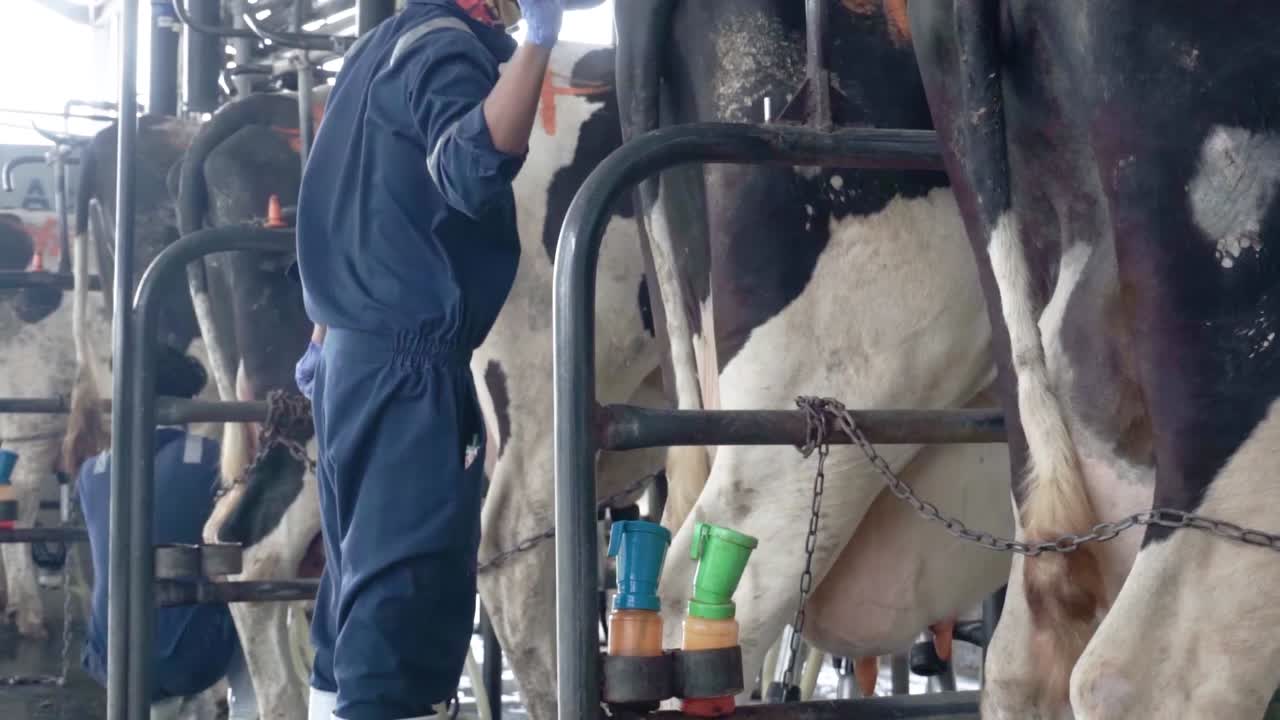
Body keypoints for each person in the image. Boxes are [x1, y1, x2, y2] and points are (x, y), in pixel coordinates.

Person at [293, 0, 563, 717]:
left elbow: (341, 201)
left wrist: (323, 335)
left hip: (346, 358)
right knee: (402, 618)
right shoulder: (446, 49)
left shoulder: (376, 47)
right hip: (411, 369)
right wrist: (539, 44)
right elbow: (469, 168)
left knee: (353, 603)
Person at [77, 345, 258, 720]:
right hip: (189, 660)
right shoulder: (215, 462)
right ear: (191, 403)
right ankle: (252, 710)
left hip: (109, 657)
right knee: (258, 597)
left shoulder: (91, 470)